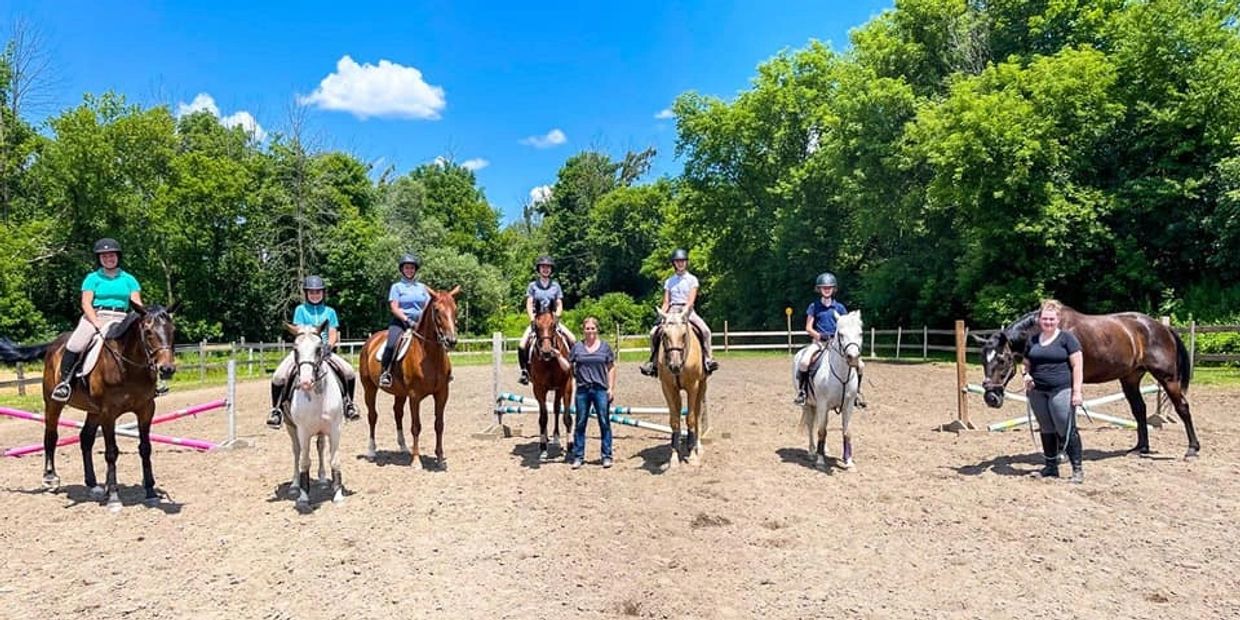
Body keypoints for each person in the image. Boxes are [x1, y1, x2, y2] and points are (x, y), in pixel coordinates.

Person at [51, 238, 144, 403]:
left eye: (112, 255)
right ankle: (64, 383)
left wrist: (141, 318)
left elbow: (137, 303)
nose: (109, 259)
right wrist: (95, 321)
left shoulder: (129, 279)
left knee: (145, 342)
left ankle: (152, 382)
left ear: (118, 256)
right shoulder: (92, 278)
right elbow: (86, 303)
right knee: (75, 344)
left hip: (122, 318)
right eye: (104, 256)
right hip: (96, 315)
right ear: (99, 259)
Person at [266, 275, 360, 429]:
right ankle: (276, 410)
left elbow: (333, 332)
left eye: (318, 292)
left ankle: (349, 404)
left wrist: (329, 346)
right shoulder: (300, 310)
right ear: (306, 293)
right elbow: (299, 331)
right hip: (304, 352)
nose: (315, 295)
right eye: (311, 292)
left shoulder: (330, 311)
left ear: (323, 293)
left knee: (349, 371)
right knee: (278, 376)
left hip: (324, 351)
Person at [1022, 299, 1085, 483]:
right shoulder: (1033, 340)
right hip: (1037, 392)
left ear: (1058, 319)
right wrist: (1026, 375)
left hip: (1061, 390)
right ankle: (1051, 467)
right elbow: (1025, 363)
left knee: (1065, 427)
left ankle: (1077, 469)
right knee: (1046, 428)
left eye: (1051, 319)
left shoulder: (1067, 339)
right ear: (1039, 319)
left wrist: (1077, 392)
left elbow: (1078, 366)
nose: (1048, 322)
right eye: (1045, 319)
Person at [639, 248, 717, 377]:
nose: (680, 263)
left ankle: (708, 359)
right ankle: (653, 363)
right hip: (672, 311)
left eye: (682, 261)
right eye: (678, 261)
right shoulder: (669, 281)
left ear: (686, 262)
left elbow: (691, 300)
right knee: (653, 333)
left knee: (706, 331)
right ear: (674, 263)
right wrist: (661, 315)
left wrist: (684, 312)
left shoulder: (692, 280)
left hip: (687, 311)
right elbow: (666, 301)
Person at [554, 317, 616, 469]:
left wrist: (611, 388)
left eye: (592, 328)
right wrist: (559, 357)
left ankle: (606, 456)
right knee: (580, 423)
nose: (590, 331)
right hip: (582, 390)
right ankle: (578, 456)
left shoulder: (605, 347)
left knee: (604, 422)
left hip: (600, 389)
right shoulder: (577, 348)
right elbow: (568, 367)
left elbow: (611, 367)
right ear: (583, 330)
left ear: (597, 329)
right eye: (587, 328)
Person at [517, 255, 576, 385]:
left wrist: (557, 317)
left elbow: (559, 304)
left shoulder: (556, 286)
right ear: (539, 269)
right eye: (543, 267)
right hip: (538, 321)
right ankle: (524, 372)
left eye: (548, 267)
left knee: (572, 339)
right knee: (522, 345)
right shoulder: (532, 286)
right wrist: (532, 319)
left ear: (551, 270)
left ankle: (574, 367)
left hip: (552, 321)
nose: (545, 269)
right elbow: (529, 303)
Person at [794, 272, 849, 405]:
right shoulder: (814, 306)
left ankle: (855, 393)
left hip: (836, 344)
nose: (827, 290)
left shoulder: (840, 308)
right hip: (819, 343)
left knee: (858, 364)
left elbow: (846, 327)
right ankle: (802, 392)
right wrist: (819, 336)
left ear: (833, 289)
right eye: (824, 288)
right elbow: (808, 327)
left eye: (829, 287)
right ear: (819, 289)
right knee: (804, 362)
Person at [378, 253, 431, 388]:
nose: (409, 270)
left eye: (412, 268)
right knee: (391, 344)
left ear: (415, 270)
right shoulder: (397, 287)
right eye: (407, 268)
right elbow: (394, 308)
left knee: (439, 342)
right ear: (402, 269)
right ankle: (386, 372)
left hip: (421, 323)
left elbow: (428, 305)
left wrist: (423, 320)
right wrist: (407, 320)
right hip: (401, 322)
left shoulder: (423, 287)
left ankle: (444, 372)